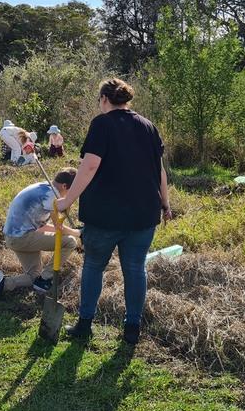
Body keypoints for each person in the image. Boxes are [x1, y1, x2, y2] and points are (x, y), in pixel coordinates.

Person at [55, 78, 171, 345]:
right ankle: (132, 328)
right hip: (144, 214)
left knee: (94, 266)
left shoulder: (102, 124)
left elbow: (89, 166)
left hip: (105, 215)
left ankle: (85, 324)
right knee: (135, 268)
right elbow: (160, 171)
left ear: (104, 99)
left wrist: (67, 200)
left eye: (99, 100)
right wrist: (165, 204)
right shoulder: (148, 126)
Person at [0, 167, 80, 305]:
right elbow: (59, 227)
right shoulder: (51, 195)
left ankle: (3, 284)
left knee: (33, 277)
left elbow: (42, 226)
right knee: (70, 242)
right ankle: (46, 279)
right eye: (71, 191)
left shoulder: (42, 187)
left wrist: (71, 230)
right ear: (64, 186)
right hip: (22, 238)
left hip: (13, 237)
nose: (70, 196)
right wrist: (78, 233)